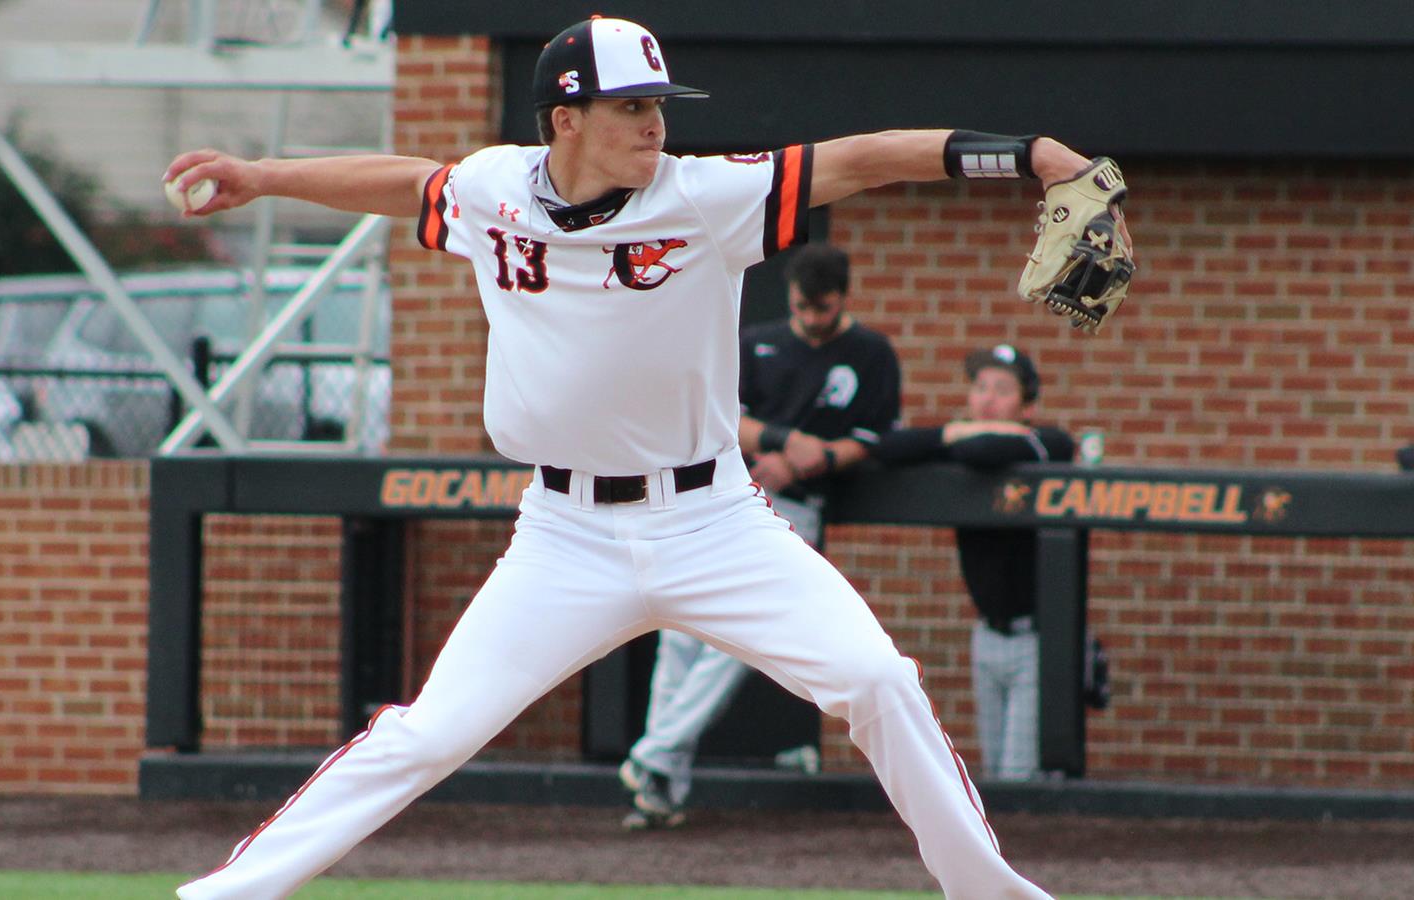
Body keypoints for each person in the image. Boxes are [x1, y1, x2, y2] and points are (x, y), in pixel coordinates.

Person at [167, 15, 1128, 899]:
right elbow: (405, 183)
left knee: (879, 683)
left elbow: (862, 159)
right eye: (629, 106)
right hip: (562, 537)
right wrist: (264, 175)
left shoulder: (704, 196)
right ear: (565, 120)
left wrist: (1032, 155)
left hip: (713, 523)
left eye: (658, 104)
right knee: (427, 735)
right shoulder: (495, 189)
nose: (654, 123)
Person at [618, 242, 901, 830]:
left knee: (735, 641)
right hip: (725, 496)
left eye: (822, 308)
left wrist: (814, 458)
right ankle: (662, 784)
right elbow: (722, 417)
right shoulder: (757, 342)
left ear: (842, 299)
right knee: (680, 635)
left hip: (795, 506)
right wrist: (779, 442)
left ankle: (654, 754)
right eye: (803, 307)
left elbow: (877, 438)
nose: (811, 318)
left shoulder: (871, 352)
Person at [870, 345, 1073, 781]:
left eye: (1002, 390)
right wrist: (952, 434)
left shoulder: (1044, 443)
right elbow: (888, 447)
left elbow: (988, 450)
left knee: (1018, 775)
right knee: (995, 772)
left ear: (1027, 406)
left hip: (1039, 638)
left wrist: (962, 435)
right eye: (980, 388)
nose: (987, 399)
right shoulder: (959, 442)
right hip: (987, 633)